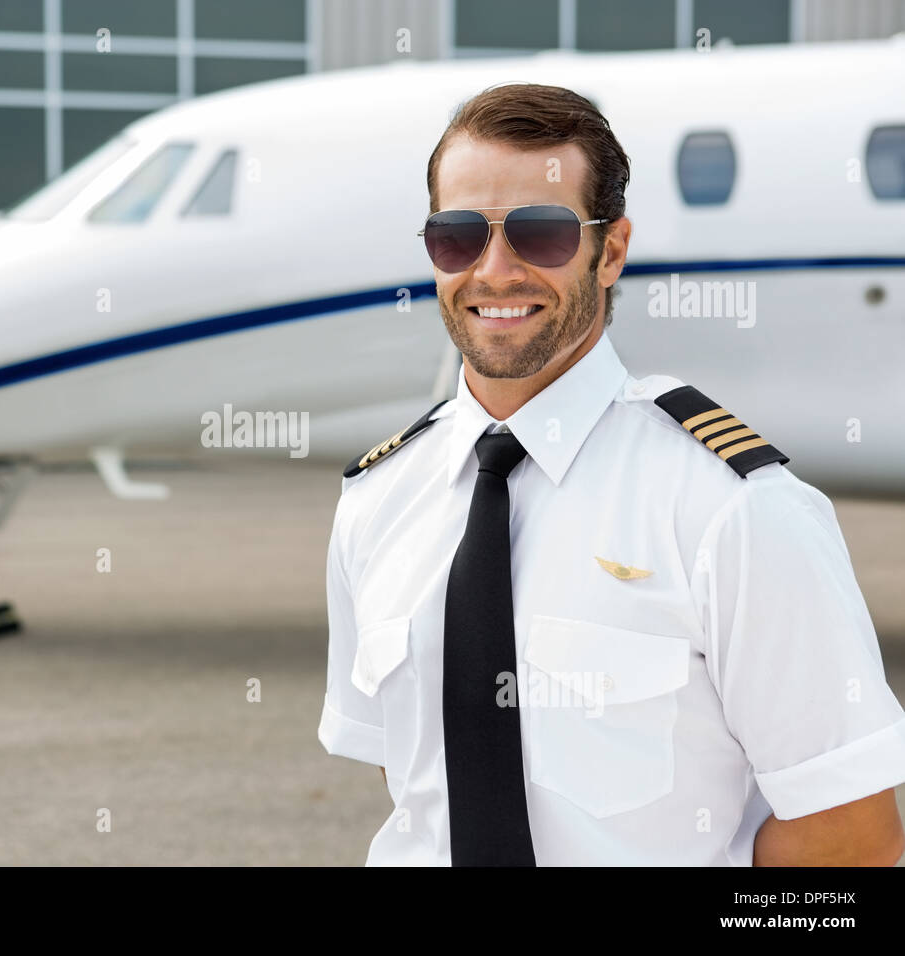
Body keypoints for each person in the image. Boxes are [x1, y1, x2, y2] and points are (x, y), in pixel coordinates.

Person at [317, 82, 905, 866]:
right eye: (458, 235)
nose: (494, 270)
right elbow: (417, 784)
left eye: (543, 232)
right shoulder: (376, 501)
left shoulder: (733, 510)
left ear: (612, 250)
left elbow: (851, 841)